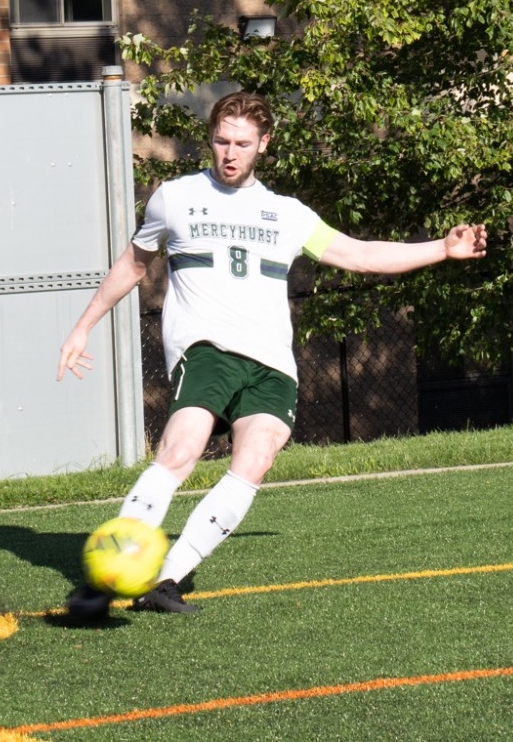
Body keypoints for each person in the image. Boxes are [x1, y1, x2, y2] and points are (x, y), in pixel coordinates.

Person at [56, 91, 487, 616]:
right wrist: (82, 328)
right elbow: (132, 264)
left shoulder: (287, 214)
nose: (229, 153)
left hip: (272, 363)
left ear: (264, 144)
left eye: (242, 144)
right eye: (221, 141)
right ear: (210, 140)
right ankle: (103, 579)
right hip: (207, 349)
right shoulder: (175, 197)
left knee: (256, 458)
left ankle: (165, 580)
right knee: (182, 448)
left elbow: (361, 255)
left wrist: (442, 248)